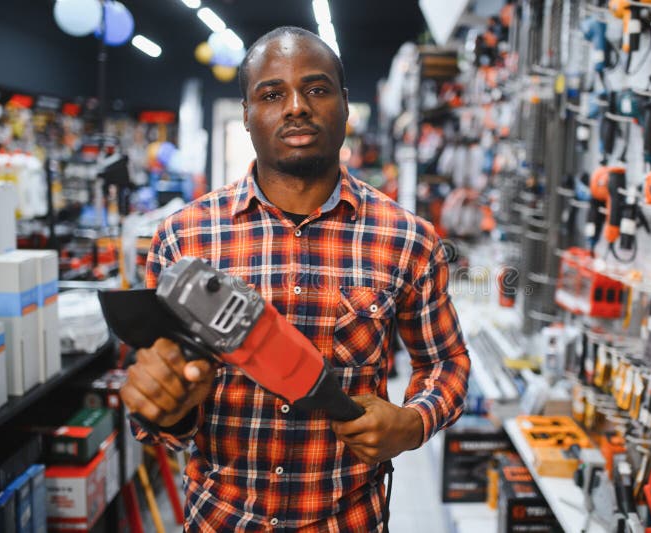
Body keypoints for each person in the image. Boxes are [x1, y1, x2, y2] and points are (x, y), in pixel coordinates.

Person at [120, 26, 470, 532]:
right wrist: (171, 409)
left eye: (316, 89)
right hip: (221, 519)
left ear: (345, 105)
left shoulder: (408, 239)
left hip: (348, 520)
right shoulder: (184, 239)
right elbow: (159, 417)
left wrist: (413, 423)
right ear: (246, 114)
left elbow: (446, 362)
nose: (296, 107)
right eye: (272, 94)